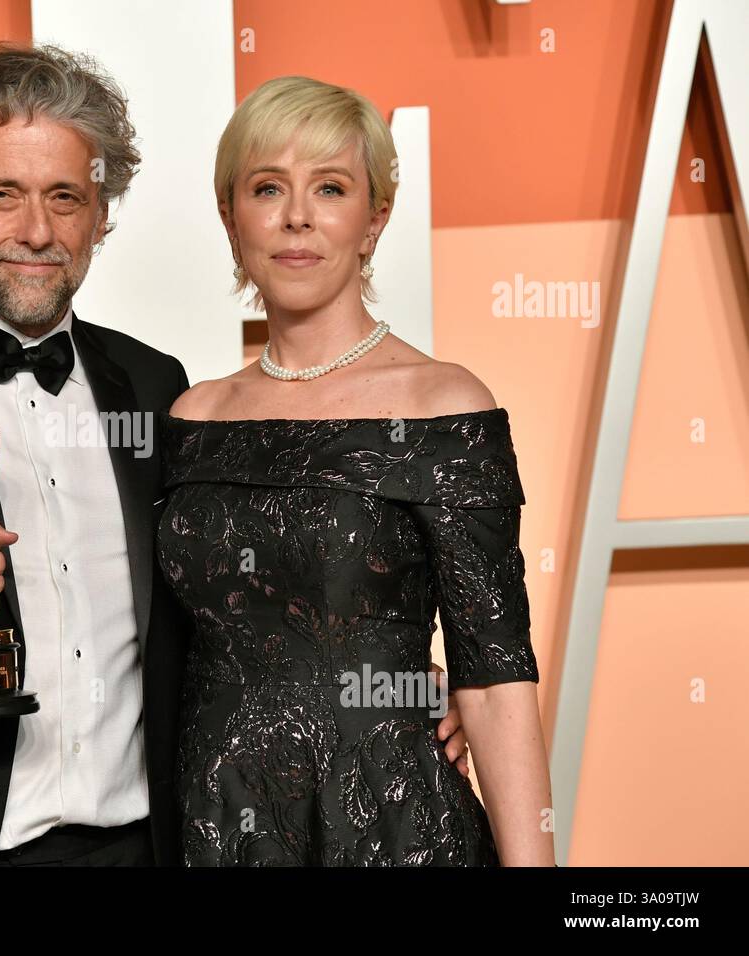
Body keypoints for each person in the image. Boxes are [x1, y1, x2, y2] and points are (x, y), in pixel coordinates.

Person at [0, 43, 471, 867]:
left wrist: (376, 678)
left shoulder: (154, 386)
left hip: (138, 849)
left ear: (101, 216)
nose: (37, 231)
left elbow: (209, 592)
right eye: (2, 195)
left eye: (65, 197)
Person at [160, 76, 555, 866]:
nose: (297, 216)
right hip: (215, 829)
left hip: (390, 830)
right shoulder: (192, 418)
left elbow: (494, 678)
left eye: (330, 188)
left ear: (375, 218)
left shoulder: (444, 405)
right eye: (267, 187)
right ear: (230, 215)